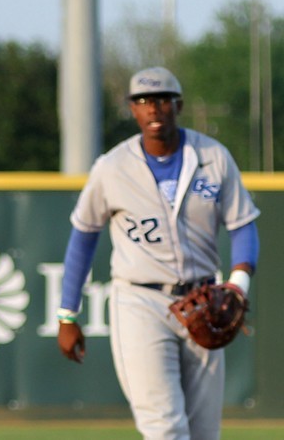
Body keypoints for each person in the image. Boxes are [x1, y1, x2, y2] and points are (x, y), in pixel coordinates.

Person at [56, 66, 260, 439]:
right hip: (140, 301)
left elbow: (243, 223)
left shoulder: (213, 156)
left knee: (203, 432)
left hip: (205, 300)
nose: (153, 108)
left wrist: (238, 284)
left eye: (163, 100)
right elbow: (83, 237)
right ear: (132, 109)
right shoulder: (112, 167)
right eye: (143, 101)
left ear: (177, 106)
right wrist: (68, 313)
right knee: (164, 428)